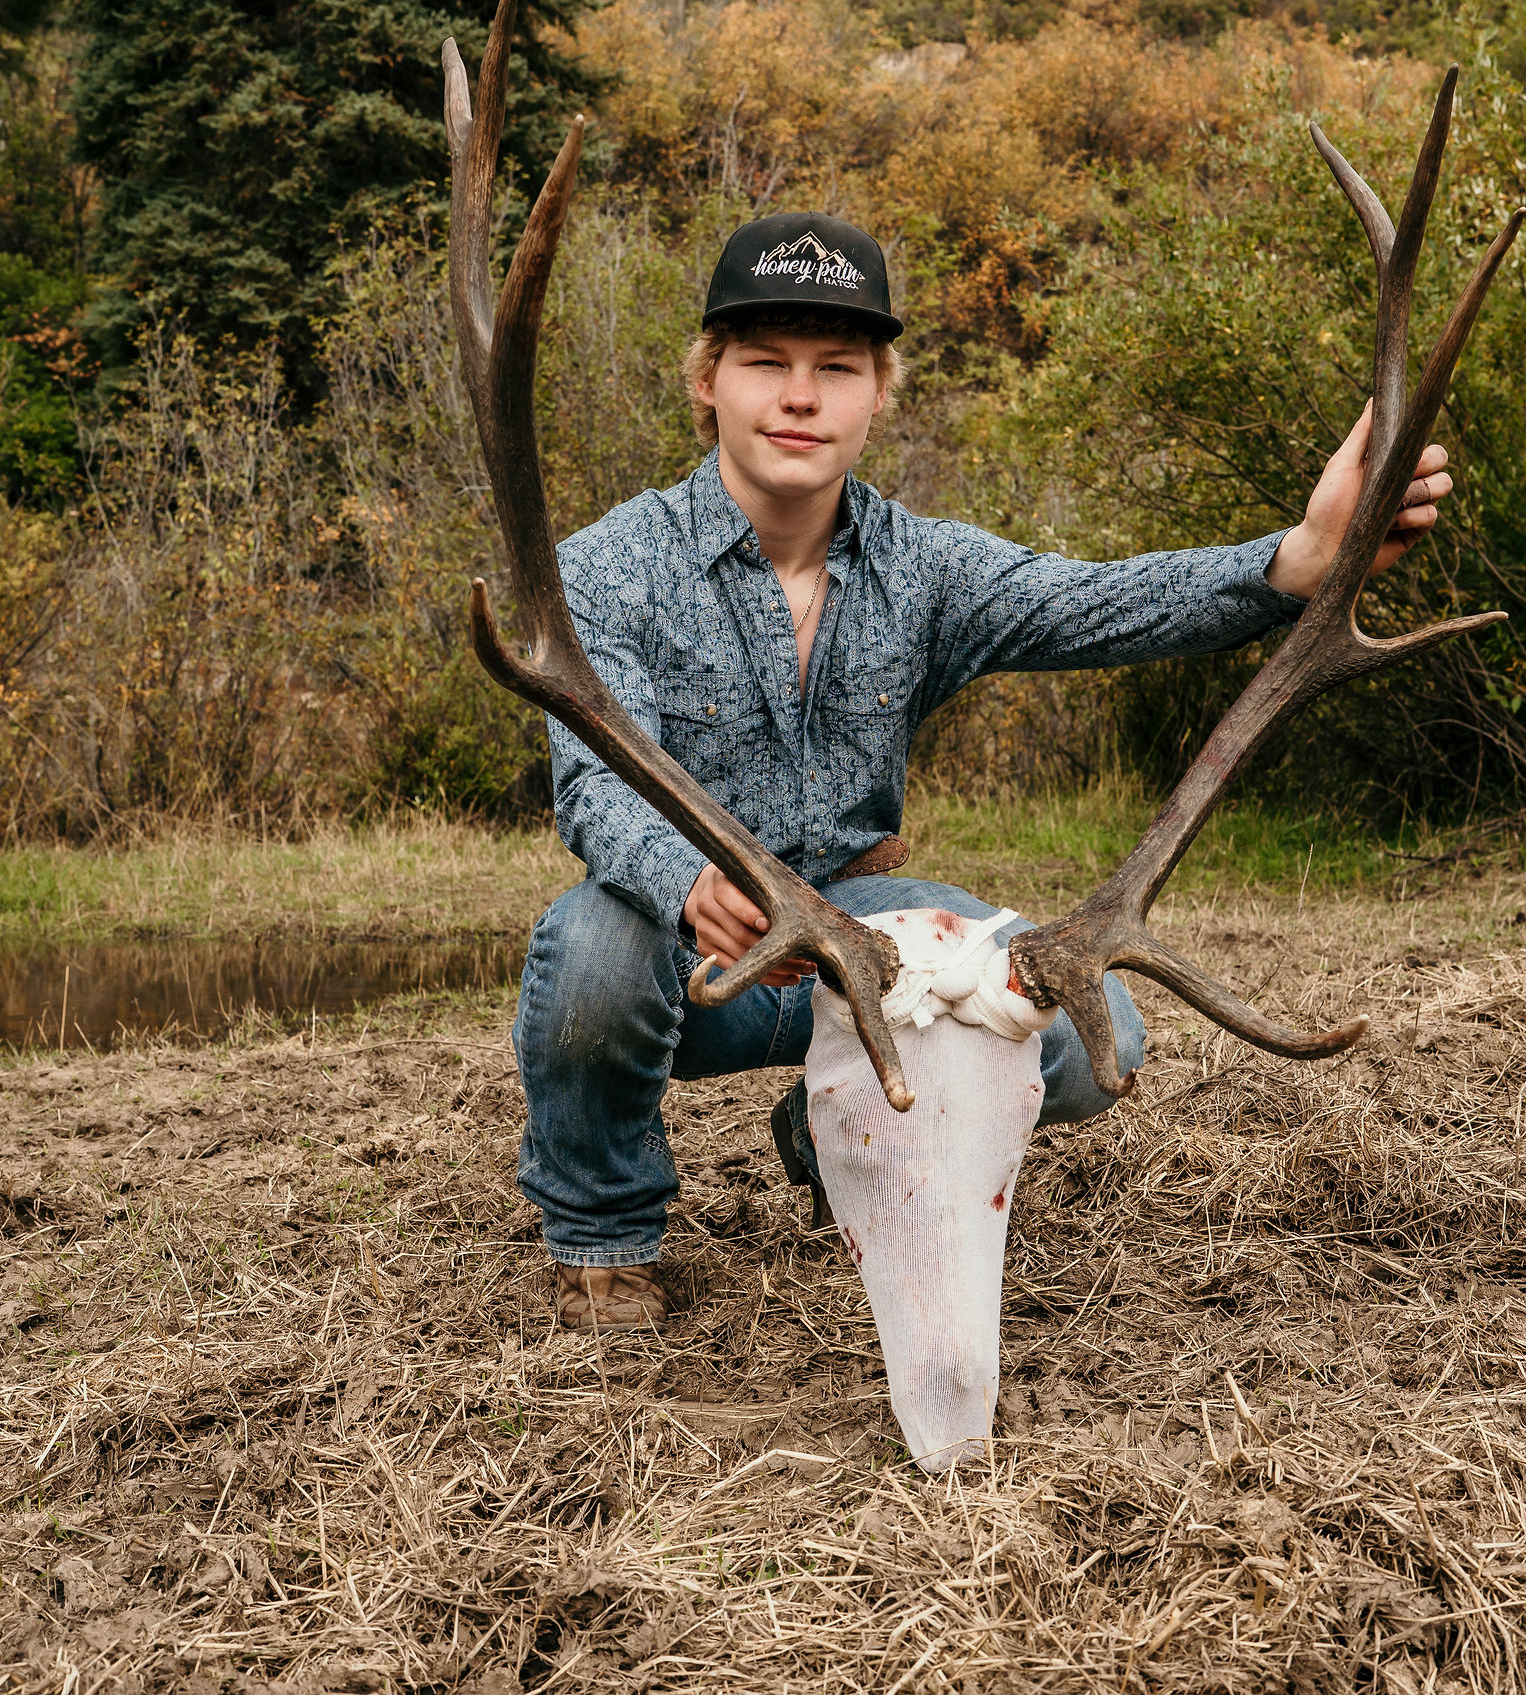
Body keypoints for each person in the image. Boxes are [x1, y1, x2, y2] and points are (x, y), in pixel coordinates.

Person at [513, 212, 1451, 1329]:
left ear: (878, 392)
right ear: (709, 380)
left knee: (1084, 1038)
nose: (799, 396)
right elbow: (593, 776)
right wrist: (682, 879)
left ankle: (830, 1129)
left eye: (836, 367)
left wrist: (1294, 559)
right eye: (765, 362)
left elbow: (1099, 600)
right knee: (587, 952)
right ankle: (605, 1238)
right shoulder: (610, 565)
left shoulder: (924, 568)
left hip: (859, 945)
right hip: (695, 952)